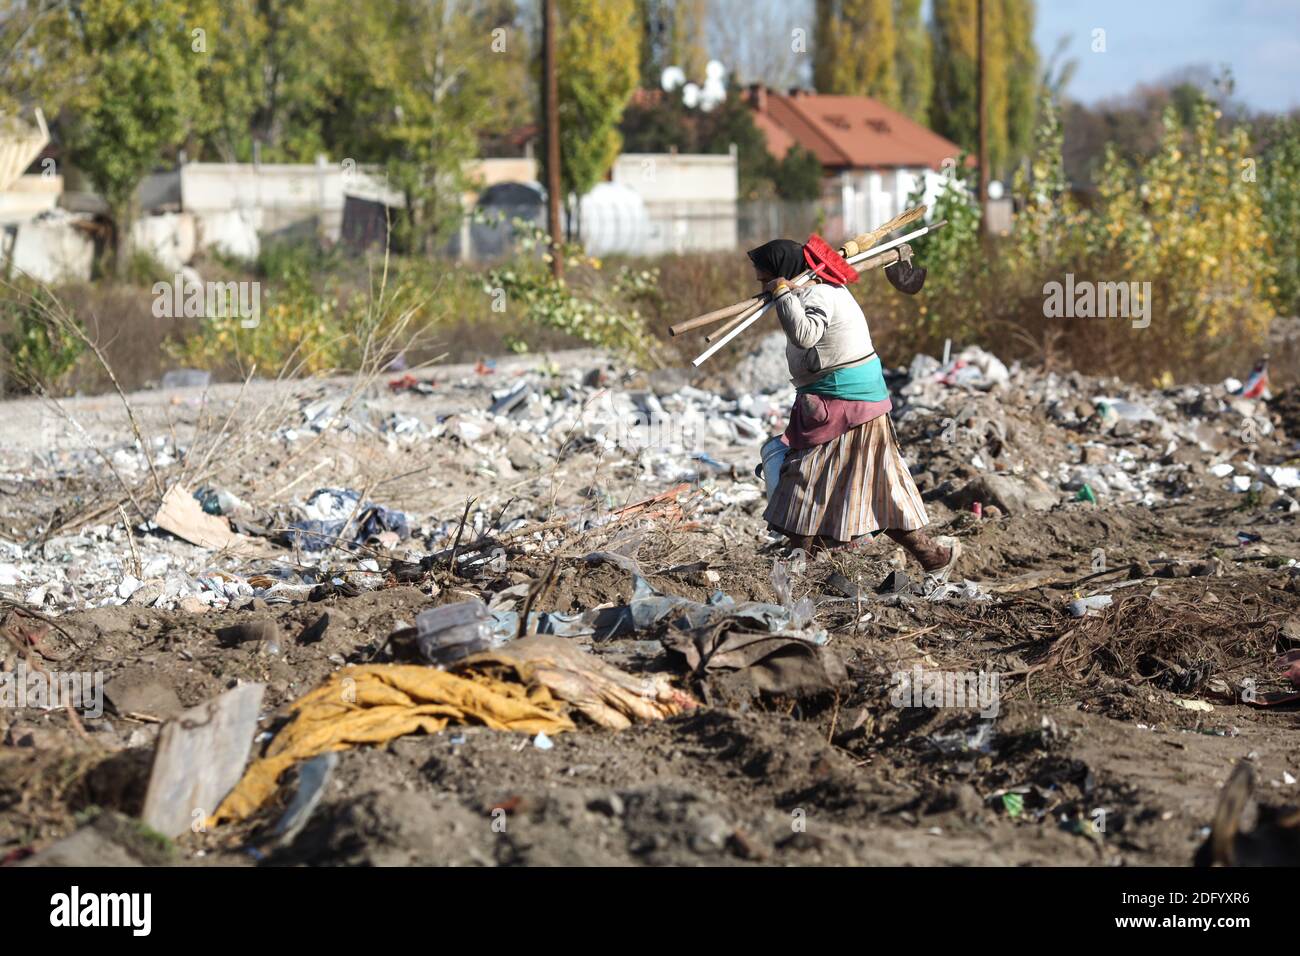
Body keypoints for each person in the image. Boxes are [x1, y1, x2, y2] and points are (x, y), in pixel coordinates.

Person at [748, 237, 961, 582]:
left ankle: (798, 562)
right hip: (849, 400)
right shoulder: (813, 290)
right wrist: (784, 293)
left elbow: (804, 334)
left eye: (765, 278)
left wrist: (782, 294)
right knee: (875, 488)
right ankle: (932, 556)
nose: (763, 285)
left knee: (806, 478)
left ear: (783, 271)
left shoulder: (818, 293)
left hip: (846, 403)